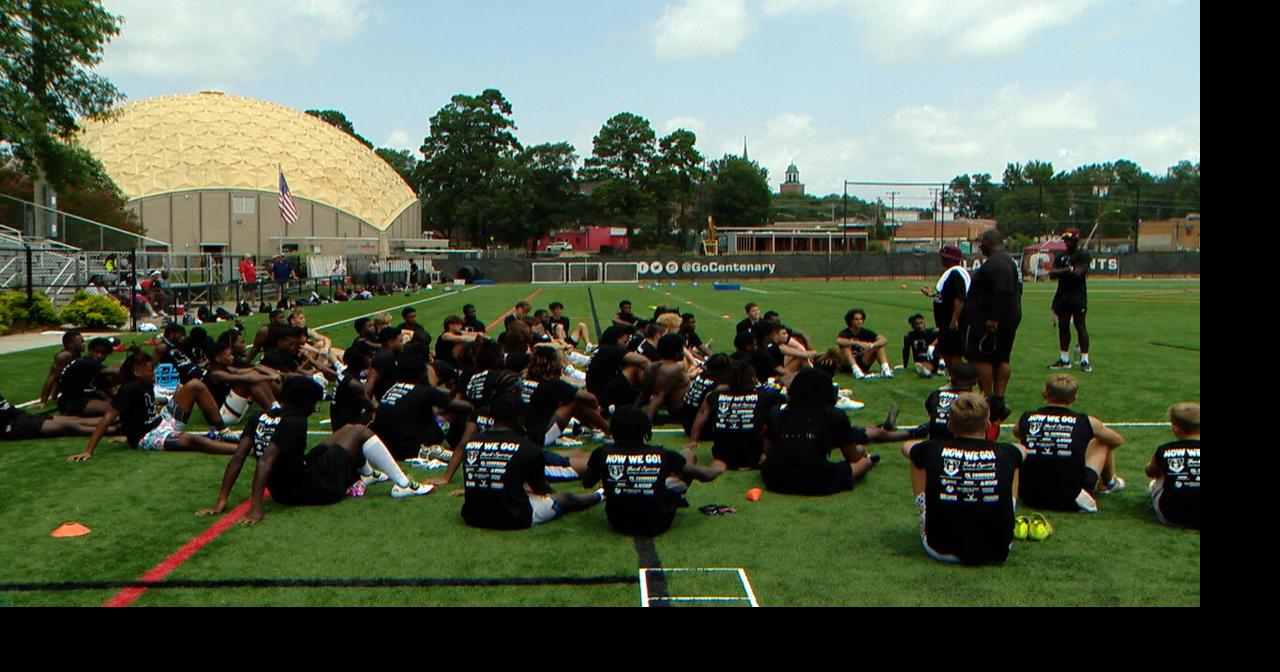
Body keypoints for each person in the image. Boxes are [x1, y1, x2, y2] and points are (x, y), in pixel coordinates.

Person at [197, 378, 434, 525]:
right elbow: (266, 460)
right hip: (309, 489)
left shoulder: (260, 416)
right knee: (360, 432)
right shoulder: (295, 422)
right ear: (304, 403)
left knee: (349, 429)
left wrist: (222, 499)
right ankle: (404, 483)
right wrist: (256, 507)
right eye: (313, 403)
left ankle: (369, 474)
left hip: (288, 485)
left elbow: (239, 456)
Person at [904, 392, 1026, 565]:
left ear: (950, 425)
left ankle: (923, 508)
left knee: (917, 458)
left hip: (940, 548)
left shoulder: (933, 449)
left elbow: (907, 447)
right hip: (997, 550)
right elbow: (1022, 450)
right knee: (1014, 462)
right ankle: (1008, 509)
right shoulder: (1005, 452)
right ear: (988, 425)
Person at [452, 394, 603, 531]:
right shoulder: (528, 448)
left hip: (472, 516)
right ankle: (601, 494)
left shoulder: (472, 443)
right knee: (565, 498)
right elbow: (541, 490)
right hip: (513, 518)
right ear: (518, 417)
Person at [68, 348, 240, 462]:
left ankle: (224, 432)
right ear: (137, 372)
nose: (154, 373)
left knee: (195, 385)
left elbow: (140, 412)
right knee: (194, 441)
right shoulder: (128, 390)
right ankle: (241, 451)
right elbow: (107, 418)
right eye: (151, 370)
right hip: (148, 437)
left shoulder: (144, 382)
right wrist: (89, 450)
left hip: (161, 421)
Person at [761, 369, 912, 495]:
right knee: (858, 463)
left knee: (767, 462)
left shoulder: (775, 412)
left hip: (776, 479)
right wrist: (862, 452)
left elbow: (768, 450)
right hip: (817, 481)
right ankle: (871, 460)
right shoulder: (834, 415)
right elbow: (852, 456)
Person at [583, 406, 726, 536]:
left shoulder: (601, 453)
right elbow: (704, 476)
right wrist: (718, 468)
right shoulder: (662, 454)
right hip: (658, 523)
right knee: (688, 456)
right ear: (645, 430)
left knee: (682, 460)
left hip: (618, 522)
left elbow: (587, 483)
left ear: (613, 430)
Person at [1013, 374, 1125, 513]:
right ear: (1074, 399)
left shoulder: (1026, 418)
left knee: (1020, 446)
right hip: (1070, 500)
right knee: (1101, 443)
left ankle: (1014, 496)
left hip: (1029, 497)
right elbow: (1117, 440)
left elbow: (1018, 433)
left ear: (1045, 394)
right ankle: (1108, 483)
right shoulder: (1086, 421)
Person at [966, 229, 1023, 422]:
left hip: (991, 320)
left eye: (982, 242)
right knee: (1001, 358)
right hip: (1008, 318)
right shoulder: (1006, 261)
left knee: (982, 358)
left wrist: (994, 318)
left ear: (990, 241)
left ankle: (988, 399)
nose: (980, 246)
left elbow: (1003, 291)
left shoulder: (998, 263)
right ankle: (998, 400)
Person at [372, 355, 473, 460]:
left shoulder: (393, 388)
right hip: (410, 450)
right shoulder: (425, 392)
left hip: (385, 449)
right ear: (420, 374)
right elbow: (465, 406)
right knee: (453, 412)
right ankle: (458, 447)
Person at [521, 347, 609, 448]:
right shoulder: (552, 384)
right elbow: (591, 398)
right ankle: (609, 433)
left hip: (523, 433)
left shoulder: (523, 380)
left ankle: (592, 428)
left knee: (568, 400)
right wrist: (597, 408)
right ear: (553, 364)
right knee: (576, 402)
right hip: (540, 437)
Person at [687, 359, 767, 469]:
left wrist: (693, 440)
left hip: (722, 457)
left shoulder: (714, 396)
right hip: (752, 458)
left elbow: (702, 414)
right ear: (752, 379)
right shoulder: (764, 397)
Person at [1145, 402, 1200, 529]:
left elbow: (1150, 472)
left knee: (1156, 480)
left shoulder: (1164, 450)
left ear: (1175, 428)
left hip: (1171, 516)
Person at [1049, 228, 1093, 372]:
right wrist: (1068, 270)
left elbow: (1079, 274)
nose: (1067, 243)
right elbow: (1052, 273)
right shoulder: (1061, 256)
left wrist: (1064, 271)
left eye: (1070, 240)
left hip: (1077, 296)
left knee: (1080, 326)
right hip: (1062, 296)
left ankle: (1085, 360)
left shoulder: (1083, 255)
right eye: (1065, 240)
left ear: (1076, 240)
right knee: (1063, 326)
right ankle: (1064, 359)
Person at [921, 245, 969, 370]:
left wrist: (954, 320)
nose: (941, 260)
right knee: (947, 351)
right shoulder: (950, 273)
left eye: (943, 257)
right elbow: (948, 295)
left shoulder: (956, 273)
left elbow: (959, 298)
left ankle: (957, 381)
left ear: (951, 259)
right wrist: (933, 294)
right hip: (945, 323)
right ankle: (952, 379)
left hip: (952, 323)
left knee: (955, 352)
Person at [56, 337, 119, 417]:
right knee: (114, 409)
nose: (99, 356)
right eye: (96, 352)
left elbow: (112, 391)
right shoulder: (86, 363)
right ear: (89, 350)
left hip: (83, 398)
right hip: (72, 401)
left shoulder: (96, 369)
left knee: (117, 405)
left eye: (103, 353)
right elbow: (116, 371)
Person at [1, 391, 100, 440]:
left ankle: (111, 420)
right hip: (11, 426)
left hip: (18, 416)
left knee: (73, 419)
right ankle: (111, 430)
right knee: (66, 426)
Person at [637, 333, 690, 424]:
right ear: (677, 351)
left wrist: (633, 410)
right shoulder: (672, 369)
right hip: (683, 412)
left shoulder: (652, 367)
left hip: (678, 410)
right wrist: (648, 421)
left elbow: (644, 395)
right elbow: (658, 397)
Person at [837, 308, 894, 379]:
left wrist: (871, 345)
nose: (859, 321)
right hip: (848, 364)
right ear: (850, 321)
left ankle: (885, 369)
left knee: (879, 347)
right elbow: (839, 341)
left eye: (861, 319)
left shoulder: (866, 332)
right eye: (856, 319)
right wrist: (858, 343)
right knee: (845, 347)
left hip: (863, 362)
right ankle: (856, 371)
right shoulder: (845, 333)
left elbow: (883, 340)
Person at [41, 330, 84, 407]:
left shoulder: (77, 354)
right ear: (70, 344)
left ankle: (55, 397)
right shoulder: (64, 356)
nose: (83, 345)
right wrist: (43, 401)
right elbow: (51, 378)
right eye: (81, 342)